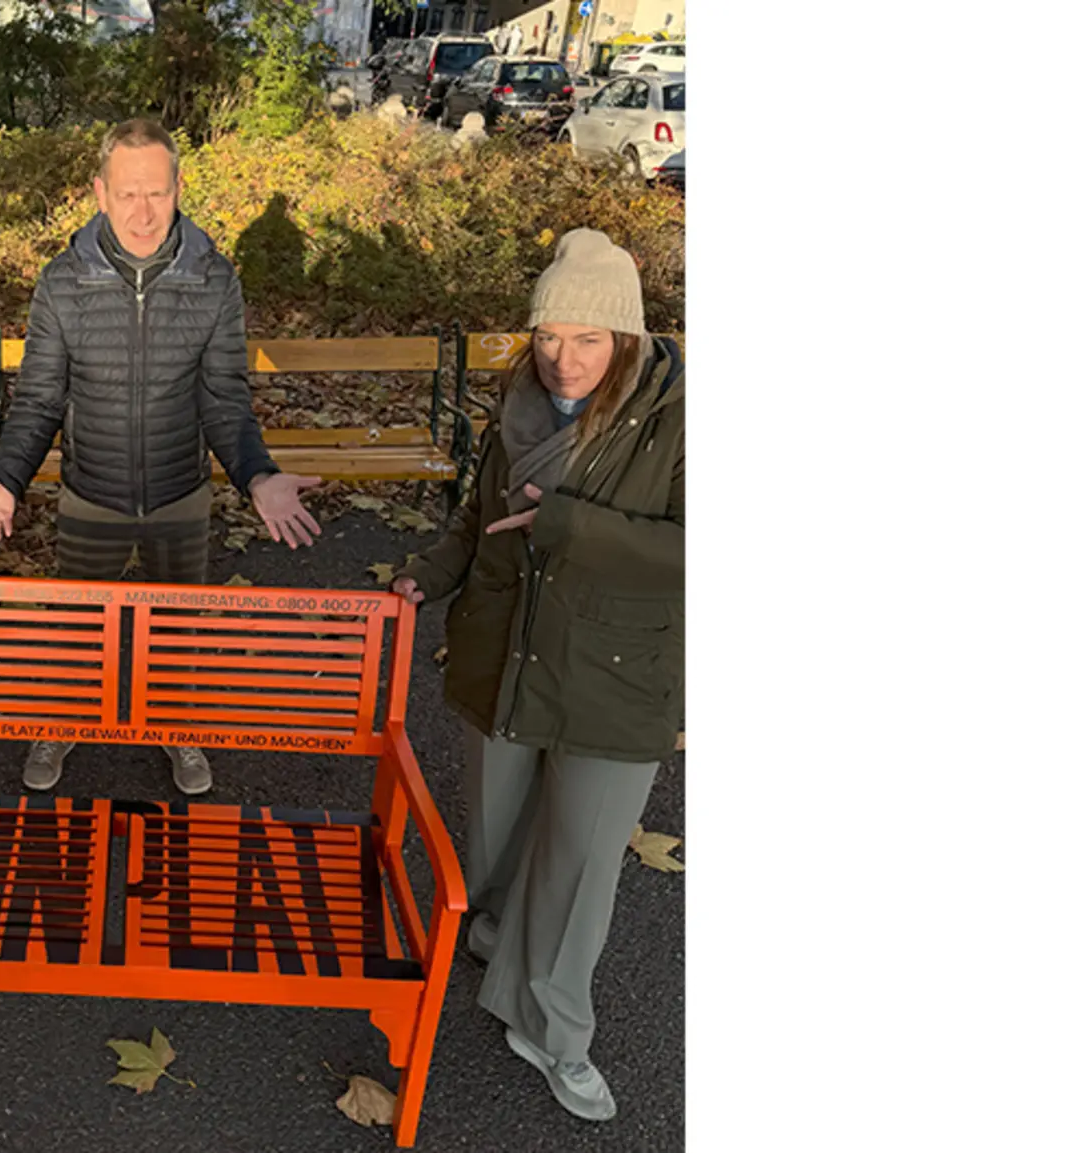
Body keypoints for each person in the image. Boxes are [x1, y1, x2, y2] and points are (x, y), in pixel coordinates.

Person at [388, 229, 682, 1122]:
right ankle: (492, 938)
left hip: (616, 673)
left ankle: (556, 1030)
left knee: (584, 863)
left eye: (587, 340)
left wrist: (573, 525)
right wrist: (424, 576)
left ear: (625, 339)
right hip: (505, 654)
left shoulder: (684, 417)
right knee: (501, 833)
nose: (562, 359)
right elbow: (478, 522)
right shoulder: (517, 405)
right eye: (549, 336)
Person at [0, 118, 323, 797]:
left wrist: (258, 475)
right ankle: (63, 715)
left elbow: (224, 398)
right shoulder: (62, 284)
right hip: (90, 491)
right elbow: (37, 400)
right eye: (128, 194)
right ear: (99, 192)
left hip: (181, 493)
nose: (144, 212)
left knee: (177, 627)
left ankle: (174, 719)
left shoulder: (215, 281)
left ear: (179, 188)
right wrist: (5, 478)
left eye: (157, 192)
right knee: (77, 622)